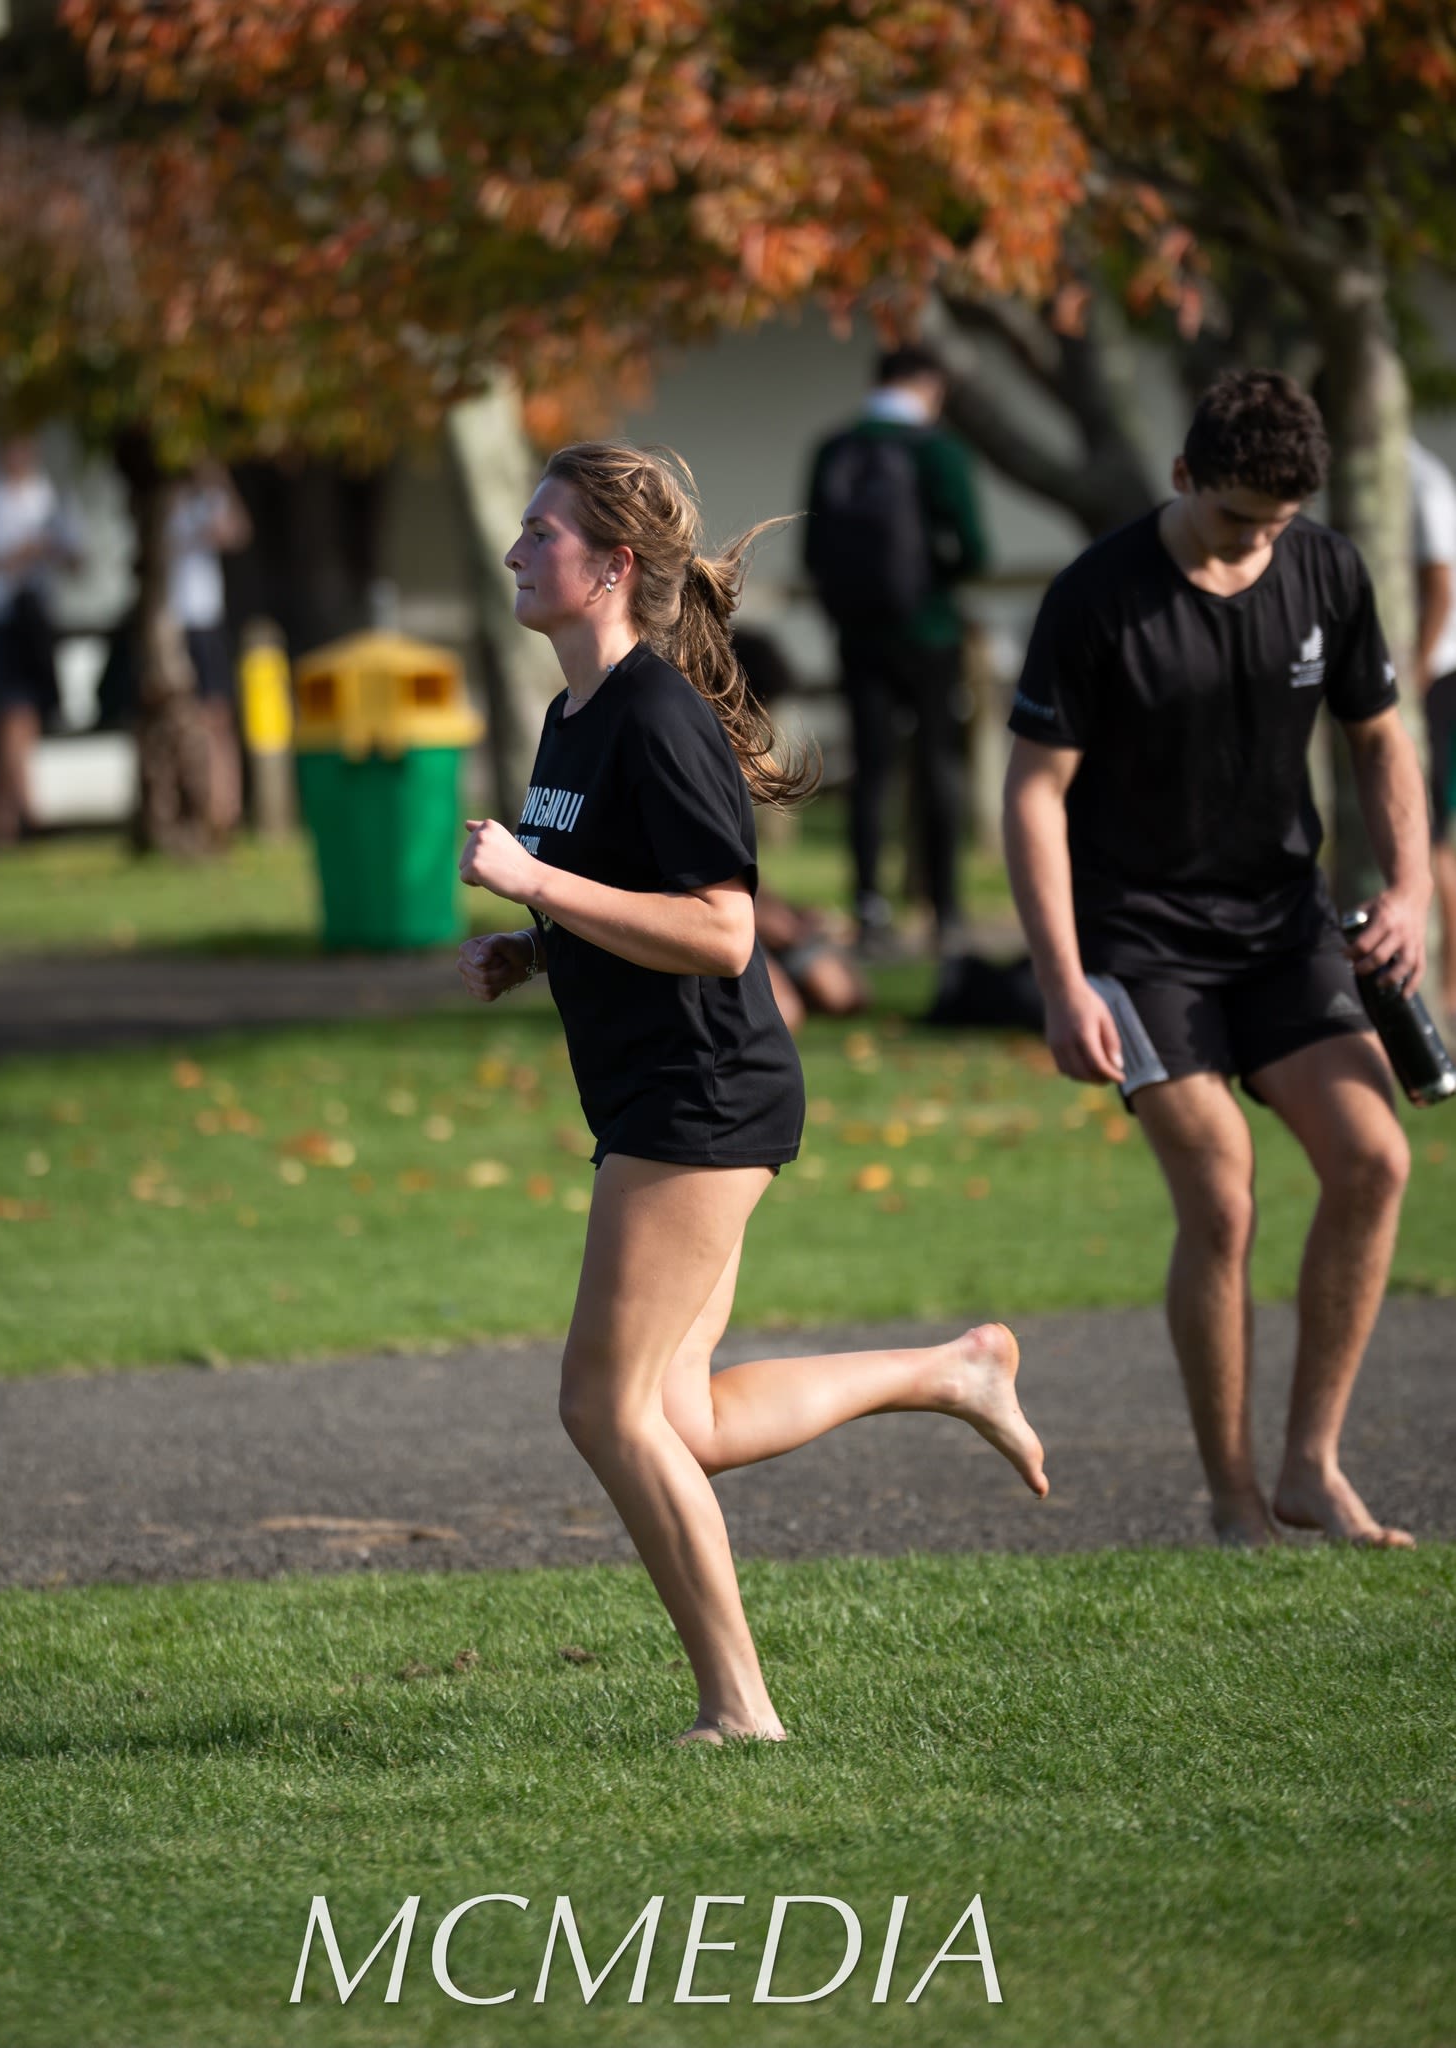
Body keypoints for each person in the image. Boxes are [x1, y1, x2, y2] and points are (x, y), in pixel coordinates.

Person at [457, 442, 1047, 1746]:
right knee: (683, 1418)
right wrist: (537, 950)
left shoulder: (657, 715)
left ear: (609, 566)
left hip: (698, 1096)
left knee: (601, 1406)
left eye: (538, 532)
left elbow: (724, 932)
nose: (514, 551)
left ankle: (739, 1711)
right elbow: (638, 892)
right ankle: (951, 1374)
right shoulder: (576, 716)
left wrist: (537, 887)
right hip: (666, 1093)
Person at [1003, 368, 1430, 1550]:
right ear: (1181, 476)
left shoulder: (1326, 571)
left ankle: (1309, 1465)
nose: (1254, 543)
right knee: (1222, 1192)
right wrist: (1058, 978)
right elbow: (1033, 795)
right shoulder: (1096, 597)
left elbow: (1377, 738)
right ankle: (1233, 1499)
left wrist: (1407, 888)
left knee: (1373, 1159)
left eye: (1275, 524)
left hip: (1281, 923)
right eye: (1235, 515)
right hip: (1139, 941)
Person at [805, 344, 987, 954]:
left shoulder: (834, 450)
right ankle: (946, 909)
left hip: (857, 634)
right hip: (929, 630)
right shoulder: (937, 452)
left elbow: (812, 553)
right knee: (936, 764)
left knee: (870, 769)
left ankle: (868, 906)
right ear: (929, 386)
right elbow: (976, 550)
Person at [0, 436, 83, 842]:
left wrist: (48, 552)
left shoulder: (51, 500)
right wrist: (8, 560)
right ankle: (29, 808)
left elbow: (79, 559)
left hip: (30, 616)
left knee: (22, 716)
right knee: (12, 713)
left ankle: (0, 819)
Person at [165, 461, 253, 836]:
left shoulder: (211, 499)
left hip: (208, 619)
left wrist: (223, 482)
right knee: (194, 717)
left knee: (219, 715)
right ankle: (201, 805)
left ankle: (226, 805)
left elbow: (237, 532)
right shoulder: (170, 504)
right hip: (179, 620)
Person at [1410, 436, 1456, 1019]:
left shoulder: (1412, 478)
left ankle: (1449, 990)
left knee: (1434, 840)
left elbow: (1442, 583)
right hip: (1434, 674)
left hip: (1441, 676)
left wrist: (1414, 676)